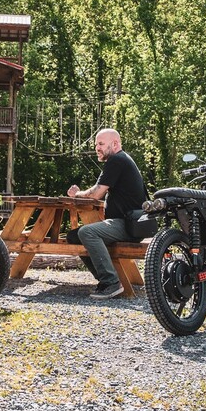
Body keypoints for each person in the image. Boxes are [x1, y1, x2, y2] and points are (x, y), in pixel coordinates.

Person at [66, 128, 148, 300]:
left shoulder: (117, 160)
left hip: (128, 225)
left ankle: (110, 283)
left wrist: (77, 194)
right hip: (131, 224)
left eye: (101, 144)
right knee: (73, 236)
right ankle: (105, 280)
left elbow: (96, 193)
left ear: (115, 144)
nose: (97, 148)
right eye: (96, 144)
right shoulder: (121, 160)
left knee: (87, 232)